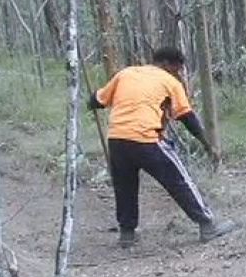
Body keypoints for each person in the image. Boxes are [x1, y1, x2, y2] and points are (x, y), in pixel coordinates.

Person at [89, 47, 236, 248]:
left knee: (124, 186)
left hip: (117, 139)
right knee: (180, 181)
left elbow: (97, 100)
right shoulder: (170, 82)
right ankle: (207, 224)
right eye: (177, 69)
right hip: (146, 139)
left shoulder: (126, 74)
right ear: (167, 64)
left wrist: (92, 102)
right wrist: (207, 145)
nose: (178, 74)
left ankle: (127, 234)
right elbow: (187, 118)